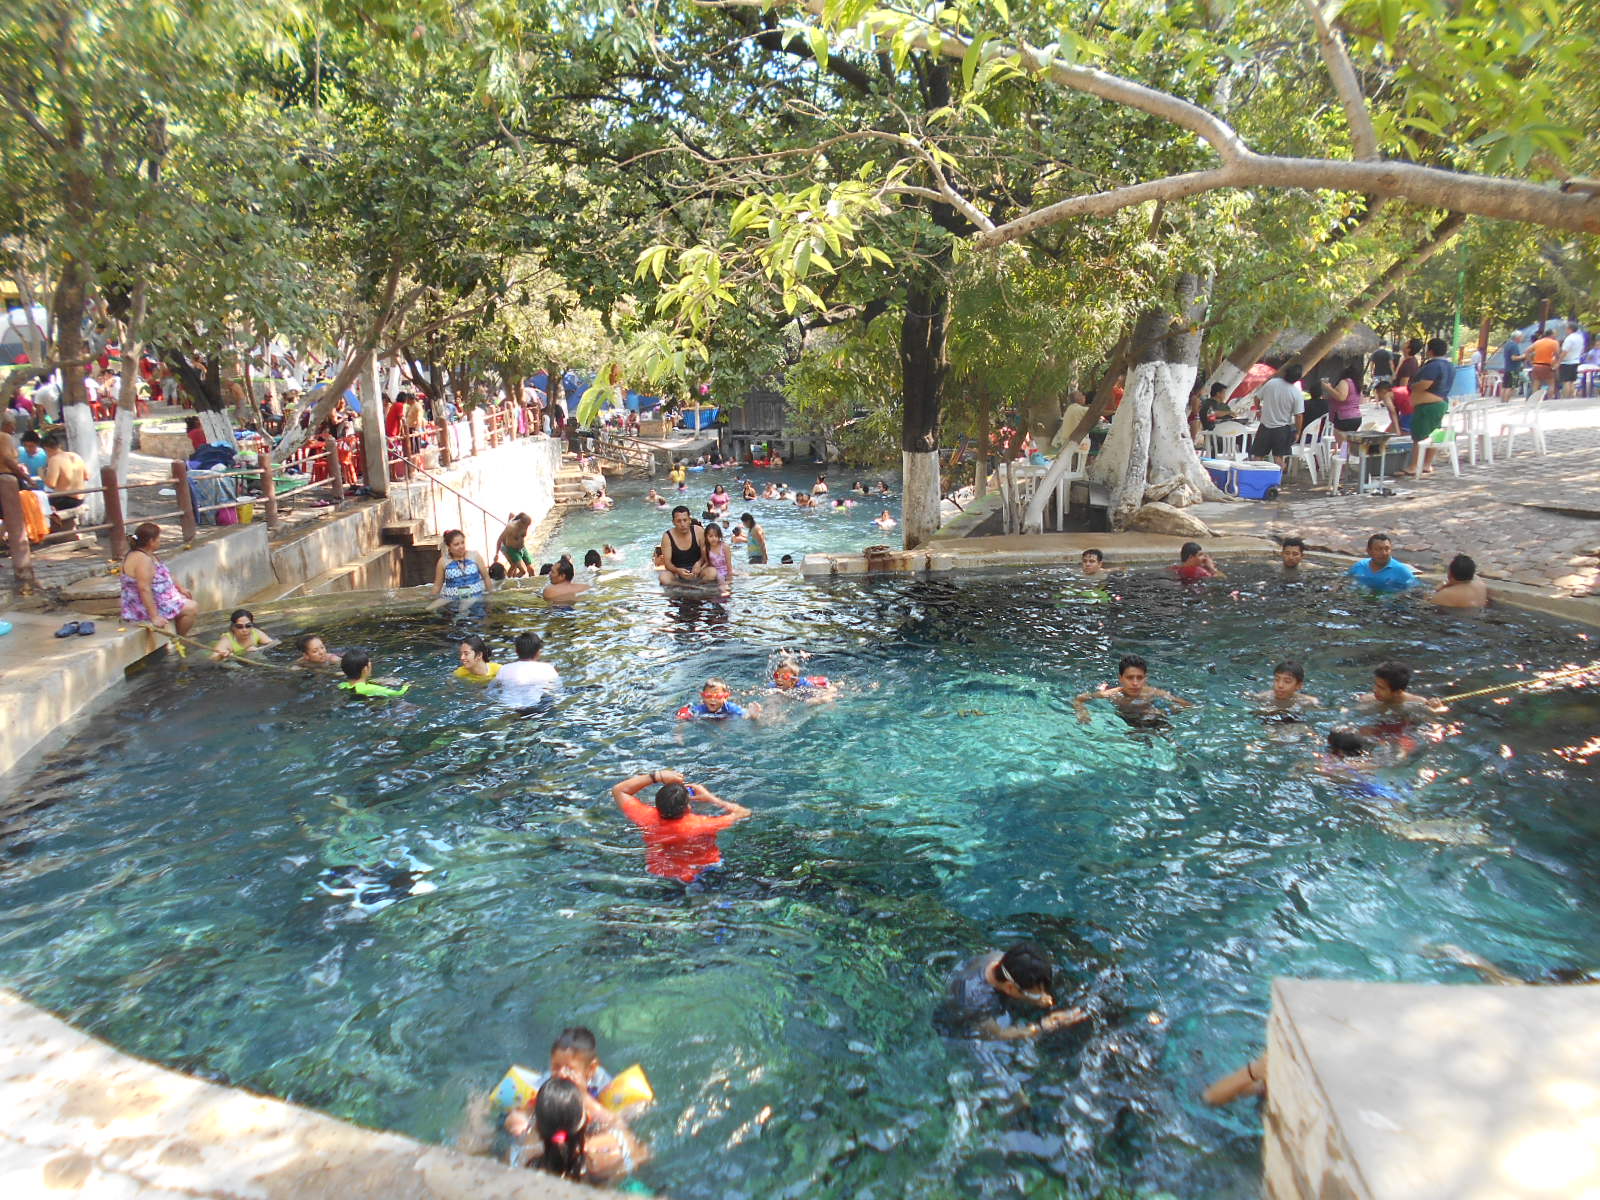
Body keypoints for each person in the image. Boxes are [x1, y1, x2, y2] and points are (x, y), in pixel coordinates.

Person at [610, 767, 752, 883]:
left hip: (662, 873)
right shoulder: (704, 824)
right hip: (704, 871)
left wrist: (657, 776)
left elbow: (619, 790)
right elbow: (744, 813)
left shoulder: (645, 817)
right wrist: (711, 798)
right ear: (688, 807)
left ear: (657, 805)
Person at [937, 941, 1088, 1042]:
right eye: (1035, 993)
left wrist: (1034, 997)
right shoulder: (977, 1003)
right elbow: (999, 1034)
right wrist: (1043, 1026)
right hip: (954, 1027)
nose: (1045, 997)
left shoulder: (998, 958)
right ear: (1009, 988)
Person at [504, 1029, 616, 1140]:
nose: (561, 1073)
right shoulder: (547, 1083)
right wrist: (519, 1124)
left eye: (569, 1069)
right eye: (556, 1066)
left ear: (591, 1069)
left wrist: (583, 1095)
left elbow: (614, 1122)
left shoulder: (601, 1082)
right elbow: (522, 1113)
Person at [120, 522, 198, 636]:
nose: (160, 541)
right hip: (142, 606)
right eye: (158, 538)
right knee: (192, 608)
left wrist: (180, 588)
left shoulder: (149, 554)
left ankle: (176, 636)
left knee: (187, 600)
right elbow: (144, 589)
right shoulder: (142, 559)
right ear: (151, 541)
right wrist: (154, 616)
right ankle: (178, 638)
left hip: (162, 599)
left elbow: (165, 574)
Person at [1075, 654, 1193, 725]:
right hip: (1127, 720)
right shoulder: (1112, 694)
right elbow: (1079, 699)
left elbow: (1187, 705)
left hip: (1152, 718)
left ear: (1145, 679)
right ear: (1121, 678)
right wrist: (1082, 712)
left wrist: (1162, 712)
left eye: (1139, 678)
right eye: (1130, 678)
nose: (1135, 683)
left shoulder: (1151, 692)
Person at [1406, 337, 1455, 478]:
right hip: (1440, 404)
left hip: (1427, 405)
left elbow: (1425, 384)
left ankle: (1414, 466)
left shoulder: (1433, 366)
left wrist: (1412, 386)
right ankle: (1427, 464)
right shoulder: (1449, 366)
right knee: (1433, 434)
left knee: (1419, 436)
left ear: (1430, 351)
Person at [1251, 362, 1305, 466]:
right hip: (1282, 429)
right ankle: (1278, 475)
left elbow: (1257, 398)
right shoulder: (1296, 393)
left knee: (1258, 457)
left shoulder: (1272, 383)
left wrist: (1259, 409)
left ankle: (1256, 475)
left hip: (1265, 426)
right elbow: (1298, 415)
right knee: (1278, 459)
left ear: (1286, 372)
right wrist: (1298, 431)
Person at [430, 530, 493, 606]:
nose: (461, 546)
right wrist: (431, 600)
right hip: (452, 602)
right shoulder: (443, 561)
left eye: (462, 543)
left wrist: (490, 597)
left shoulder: (475, 556)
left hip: (476, 601)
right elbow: (437, 585)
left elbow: (486, 577)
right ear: (449, 546)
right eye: (456, 544)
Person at [658, 506, 718, 586]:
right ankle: (685, 586)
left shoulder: (699, 531)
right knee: (663, 578)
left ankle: (698, 585)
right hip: (677, 572)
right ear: (673, 522)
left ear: (690, 520)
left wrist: (699, 564)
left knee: (712, 572)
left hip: (698, 571)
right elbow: (667, 564)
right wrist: (678, 570)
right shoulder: (667, 536)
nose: (682, 524)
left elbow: (706, 554)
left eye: (685, 520)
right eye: (678, 521)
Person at [41, 433, 89, 524]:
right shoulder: (75, 456)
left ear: (46, 449)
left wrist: (42, 475)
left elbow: (51, 484)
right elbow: (87, 476)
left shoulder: (54, 460)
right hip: (81, 497)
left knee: (37, 499)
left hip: (65, 499)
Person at [1345, 533, 1417, 592]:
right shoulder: (1359, 567)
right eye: (1378, 549)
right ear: (1369, 551)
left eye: (1387, 549)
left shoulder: (1401, 571)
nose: (1384, 553)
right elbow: (1344, 583)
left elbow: (1416, 591)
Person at [1319, 366, 1364, 449]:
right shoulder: (1356, 384)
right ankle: (1350, 455)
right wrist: (1330, 390)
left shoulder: (1345, 382)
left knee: (1343, 445)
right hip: (1356, 417)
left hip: (1343, 417)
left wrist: (1328, 388)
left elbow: (1341, 397)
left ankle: (1344, 456)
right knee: (1350, 444)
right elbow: (1360, 400)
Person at [1253, 660, 1320, 713]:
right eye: (1277, 679)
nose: (1280, 685)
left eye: (1287, 681)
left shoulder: (1308, 701)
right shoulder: (1264, 697)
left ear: (1298, 686)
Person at [338, 649, 410, 698]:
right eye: (370, 665)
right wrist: (406, 687)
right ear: (365, 669)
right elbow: (398, 694)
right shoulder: (374, 688)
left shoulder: (341, 685)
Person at [211, 608, 277, 661]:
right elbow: (213, 658)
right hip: (210, 649)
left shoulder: (255, 632)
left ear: (252, 625)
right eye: (239, 626)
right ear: (233, 627)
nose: (244, 630)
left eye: (248, 626)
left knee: (262, 659)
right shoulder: (227, 640)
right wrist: (221, 656)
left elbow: (275, 643)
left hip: (246, 656)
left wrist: (258, 649)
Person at [678, 678, 757, 719]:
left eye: (718, 696)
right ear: (703, 697)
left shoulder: (730, 707)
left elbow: (744, 714)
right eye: (708, 696)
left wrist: (752, 714)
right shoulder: (701, 709)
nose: (712, 699)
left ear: (725, 697)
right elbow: (686, 714)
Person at [1391, 338, 1422, 430]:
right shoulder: (1409, 360)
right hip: (1409, 402)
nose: (1404, 343)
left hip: (1406, 405)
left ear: (1408, 349)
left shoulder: (1408, 365)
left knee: (1403, 430)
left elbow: (1403, 387)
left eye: (1406, 343)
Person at [495, 513, 535, 578]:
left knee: (531, 570)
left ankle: (533, 583)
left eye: (528, 525)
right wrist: (497, 554)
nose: (527, 527)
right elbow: (500, 540)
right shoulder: (511, 527)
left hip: (522, 548)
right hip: (512, 550)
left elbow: (511, 514)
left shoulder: (525, 525)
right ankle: (509, 581)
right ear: (521, 523)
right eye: (526, 525)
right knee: (522, 571)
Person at [703, 522, 734, 594]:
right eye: (710, 536)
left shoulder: (724, 546)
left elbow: (729, 565)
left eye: (716, 536)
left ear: (719, 536)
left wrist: (730, 578)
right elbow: (707, 563)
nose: (713, 538)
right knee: (721, 580)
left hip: (725, 570)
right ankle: (724, 590)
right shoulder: (705, 549)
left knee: (743, 575)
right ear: (706, 537)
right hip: (716, 572)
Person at [1528, 327, 1560, 394]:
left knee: (1536, 384)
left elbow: (1527, 351)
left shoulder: (1537, 342)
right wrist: (1557, 363)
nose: (1556, 335)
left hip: (1536, 366)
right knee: (1551, 383)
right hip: (1547, 366)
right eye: (1555, 334)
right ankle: (1550, 397)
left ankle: (1534, 398)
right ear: (1551, 334)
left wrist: (1530, 361)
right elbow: (1557, 354)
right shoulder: (1554, 342)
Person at [1560, 320, 1585, 397]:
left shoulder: (1569, 339)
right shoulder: (1580, 337)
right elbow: (1582, 350)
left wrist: (1558, 361)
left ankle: (1566, 398)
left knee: (1566, 381)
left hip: (1567, 362)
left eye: (1566, 328)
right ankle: (1571, 397)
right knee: (1572, 381)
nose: (1565, 330)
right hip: (1576, 361)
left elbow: (1565, 352)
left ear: (1570, 329)